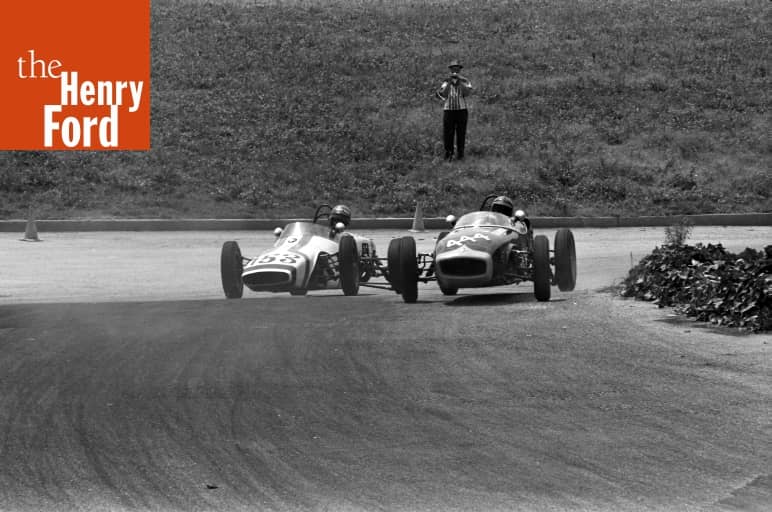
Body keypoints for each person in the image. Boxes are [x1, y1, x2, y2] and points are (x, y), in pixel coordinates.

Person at [436, 59, 473, 161]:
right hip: (449, 110)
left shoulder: (465, 80)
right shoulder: (446, 81)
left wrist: (459, 81)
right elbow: (443, 94)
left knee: (461, 132)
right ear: (450, 70)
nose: (455, 71)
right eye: (453, 69)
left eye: (457, 69)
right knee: (448, 132)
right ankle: (449, 154)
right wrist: (449, 82)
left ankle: (460, 154)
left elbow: (467, 93)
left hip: (462, 110)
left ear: (460, 70)